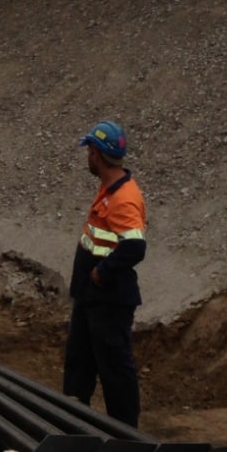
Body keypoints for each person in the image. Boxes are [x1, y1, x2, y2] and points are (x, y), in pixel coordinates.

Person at [62, 120, 147, 427]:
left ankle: (126, 434)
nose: (88, 157)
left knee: (114, 369)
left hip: (109, 298)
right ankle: (73, 421)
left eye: (89, 151)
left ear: (96, 154)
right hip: (91, 295)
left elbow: (135, 247)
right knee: (79, 363)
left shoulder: (123, 198)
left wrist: (102, 272)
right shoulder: (109, 189)